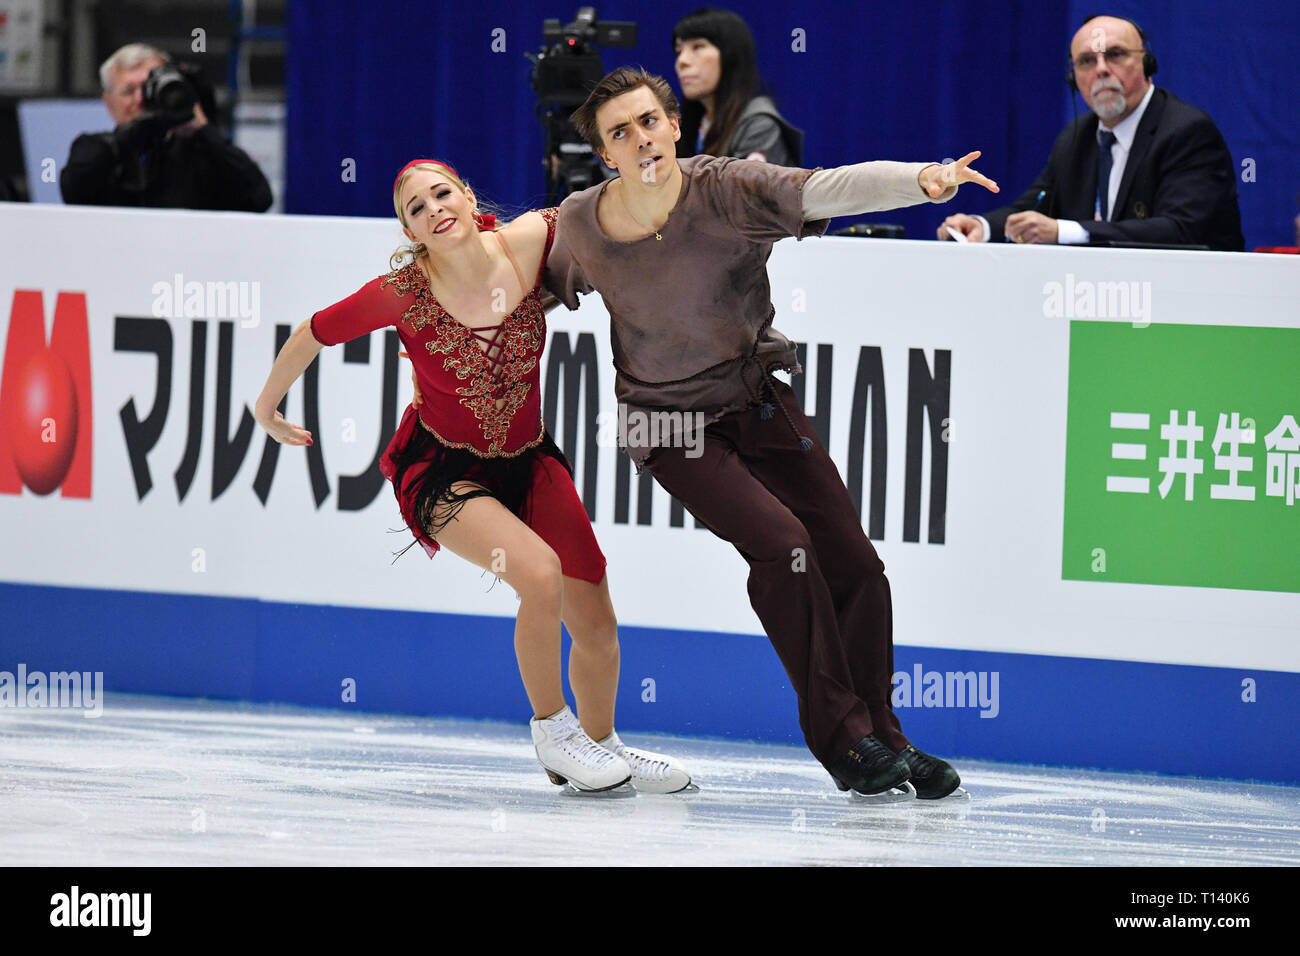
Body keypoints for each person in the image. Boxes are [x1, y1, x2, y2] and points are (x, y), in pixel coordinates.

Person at [545, 66, 998, 799]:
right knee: (785, 548)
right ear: (605, 155)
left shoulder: (725, 189)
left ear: (674, 126)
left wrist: (923, 179)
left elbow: (827, 188)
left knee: (855, 563)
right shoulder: (581, 222)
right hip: (670, 427)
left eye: (649, 122)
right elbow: (519, 275)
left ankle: (884, 734)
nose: (641, 140)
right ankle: (843, 739)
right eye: (620, 133)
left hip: (757, 399)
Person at [254, 159, 690, 794]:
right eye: (416, 209)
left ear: (466, 195)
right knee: (539, 576)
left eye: (441, 193)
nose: (433, 209)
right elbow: (314, 332)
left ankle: (604, 749)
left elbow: (608, 209)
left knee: (595, 615)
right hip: (441, 469)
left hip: (530, 459)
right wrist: (266, 408)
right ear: (411, 231)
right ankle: (553, 731)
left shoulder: (533, 239)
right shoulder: (401, 292)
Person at [938, 15, 1242, 250]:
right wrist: (981, 227)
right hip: (1104, 297)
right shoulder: (1077, 136)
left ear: (1146, 64)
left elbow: (1181, 230)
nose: (1101, 69)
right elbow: (1035, 207)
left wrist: (1064, 232)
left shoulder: (1187, 131)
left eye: (1115, 54)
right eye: (1087, 61)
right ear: (1073, 78)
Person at [60, 43, 272, 212]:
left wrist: (203, 129)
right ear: (108, 102)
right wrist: (138, 134)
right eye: (128, 91)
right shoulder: (96, 149)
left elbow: (258, 199)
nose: (141, 99)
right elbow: (74, 192)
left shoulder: (200, 155)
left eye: (150, 88)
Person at [673, 7, 804, 166]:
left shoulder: (759, 127)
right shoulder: (690, 123)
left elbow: (747, 190)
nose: (682, 61)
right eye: (679, 50)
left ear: (731, 56)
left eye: (698, 47)